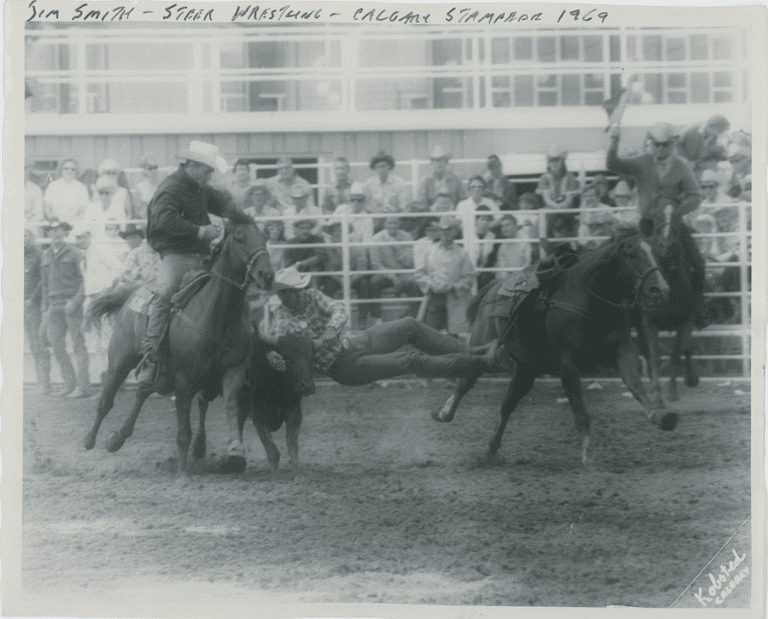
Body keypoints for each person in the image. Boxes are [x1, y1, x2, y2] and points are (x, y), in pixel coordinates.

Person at [260, 267, 508, 387]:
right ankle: (479, 363)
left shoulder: (312, 296)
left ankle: (470, 353)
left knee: (409, 325)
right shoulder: (283, 321)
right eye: (289, 292)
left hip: (354, 341)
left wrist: (328, 332)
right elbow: (287, 346)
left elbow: (339, 310)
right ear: (282, 296)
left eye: (296, 290)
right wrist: (278, 352)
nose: (296, 294)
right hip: (344, 367)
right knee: (410, 359)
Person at [136, 140, 248, 386]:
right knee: (167, 292)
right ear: (193, 165)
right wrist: (201, 232)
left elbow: (223, 206)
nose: (209, 176)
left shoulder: (198, 187)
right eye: (207, 171)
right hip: (175, 254)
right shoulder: (170, 188)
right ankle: (151, 355)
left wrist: (246, 221)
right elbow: (164, 220)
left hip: (200, 253)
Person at [607, 121, 707, 325]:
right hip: (647, 225)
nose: (660, 148)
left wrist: (674, 212)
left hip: (673, 225)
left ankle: (697, 310)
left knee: (697, 263)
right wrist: (614, 141)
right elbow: (613, 164)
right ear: (651, 143)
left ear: (672, 144)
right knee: (625, 264)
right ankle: (624, 314)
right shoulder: (641, 161)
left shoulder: (682, 166)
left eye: (665, 144)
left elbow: (695, 196)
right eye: (656, 143)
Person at [40, 219, 91, 398]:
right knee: (56, 344)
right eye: (52, 230)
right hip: (53, 305)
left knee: (78, 344)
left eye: (59, 230)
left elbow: (85, 281)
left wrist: (75, 302)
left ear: (65, 232)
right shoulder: (46, 255)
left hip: (71, 303)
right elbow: (45, 284)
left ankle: (83, 388)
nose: (56, 233)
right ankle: (69, 384)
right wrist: (45, 308)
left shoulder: (75, 253)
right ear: (48, 233)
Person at [415, 216, 475, 337]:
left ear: (455, 232)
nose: (446, 233)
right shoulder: (429, 251)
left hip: (454, 298)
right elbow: (420, 273)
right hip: (434, 298)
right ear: (439, 231)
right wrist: (431, 285)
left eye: (449, 230)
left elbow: (469, 278)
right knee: (430, 334)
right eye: (443, 230)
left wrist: (454, 287)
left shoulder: (462, 254)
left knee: (452, 336)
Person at [369, 216, 422, 322]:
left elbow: (409, 263)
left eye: (395, 222)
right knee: (373, 283)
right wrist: (392, 276)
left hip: (404, 272)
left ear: (399, 224)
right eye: (390, 223)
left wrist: (397, 248)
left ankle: (412, 317)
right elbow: (376, 265)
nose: (393, 225)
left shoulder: (407, 236)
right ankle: (377, 318)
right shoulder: (376, 239)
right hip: (385, 273)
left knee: (416, 284)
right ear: (385, 224)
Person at [25, 227, 51, 393]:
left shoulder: (38, 254)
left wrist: (33, 299)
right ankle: (39, 381)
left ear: (31, 237)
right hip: (22, 304)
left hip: (34, 304)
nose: (23, 238)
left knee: (39, 343)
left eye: (26, 235)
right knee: (33, 345)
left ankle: (45, 383)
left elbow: (43, 280)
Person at [536, 145, 580, 238]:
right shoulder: (544, 178)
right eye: (552, 160)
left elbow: (569, 199)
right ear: (548, 162)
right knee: (547, 219)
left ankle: (572, 241)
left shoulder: (570, 177)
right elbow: (547, 199)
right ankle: (548, 242)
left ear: (562, 161)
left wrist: (560, 207)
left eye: (557, 160)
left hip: (567, 207)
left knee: (571, 220)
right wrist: (556, 207)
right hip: (550, 208)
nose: (554, 163)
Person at [114, 226, 161, 291]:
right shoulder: (126, 254)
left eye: (134, 237)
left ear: (141, 239)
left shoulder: (135, 252)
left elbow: (123, 274)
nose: (131, 241)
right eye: (128, 238)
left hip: (140, 287)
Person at [43, 158, 91, 223]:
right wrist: (55, 220)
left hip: (74, 223)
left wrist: (71, 220)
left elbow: (84, 212)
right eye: (66, 168)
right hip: (56, 222)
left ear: (76, 171)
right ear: (61, 170)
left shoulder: (82, 188)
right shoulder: (52, 186)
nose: (69, 171)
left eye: (72, 169)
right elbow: (47, 210)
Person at [364, 151, 409, 217]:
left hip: (395, 216)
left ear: (389, 166)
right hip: (375, 216)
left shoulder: (399, 182)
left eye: (384, 166)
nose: (381, 169)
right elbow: (366, 204)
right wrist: (376, 211)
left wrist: (394, 211)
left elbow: (403, 204)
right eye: (378, 167)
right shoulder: (369, 183)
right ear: (374, 168)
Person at [489, 214, 532, 278]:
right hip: (508, 279)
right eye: (502, 226)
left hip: (524, 277)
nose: (505, 228)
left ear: (515, 226)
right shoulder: (502, 247)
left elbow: (528, 264)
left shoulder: (524, 242)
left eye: (508, 225)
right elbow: (503, 269)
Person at [131, 153, 164, 221]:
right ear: (144, 171)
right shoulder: (139, 187)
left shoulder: (161, 186)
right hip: (145, 222)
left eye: (155, 167)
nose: (153, 171)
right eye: (150, 168)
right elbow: (136, 212)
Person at [25, 157, 45, 227]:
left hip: (30, 224)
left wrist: (29, 224)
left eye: (25, 168)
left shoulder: (36, 189)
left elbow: (39, 213)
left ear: (29, 170)